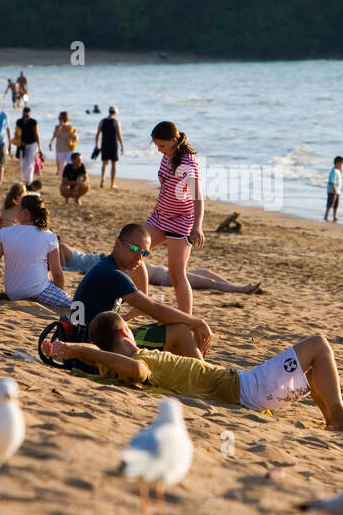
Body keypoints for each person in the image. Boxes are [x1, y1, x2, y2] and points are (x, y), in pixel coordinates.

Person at [43, 313, 343, 431]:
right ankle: (339, 420)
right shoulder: (136, 359)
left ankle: (332, 420)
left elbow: (115, 364)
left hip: (243, 386)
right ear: (126, 333)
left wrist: (75, 351)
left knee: (314, 365)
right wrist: (75, 350)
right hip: (244, 388)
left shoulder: (114, 364)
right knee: (318, 344)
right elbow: (138, 371)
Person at [71, 224, 214, 358]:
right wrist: (198, 323)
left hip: (84, 341)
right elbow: (156, 309)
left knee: (170, 328)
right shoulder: (111, 273)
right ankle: (206, 377)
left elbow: (154, 307)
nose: (139, 257)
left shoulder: (105, 267)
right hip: (95, 349)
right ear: (118, 244)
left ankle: (194, 374)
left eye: (144, 253)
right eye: (134, 249)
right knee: (180, 331)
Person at [131, 121, 204, 315]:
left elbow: (198, 196)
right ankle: (143, 301)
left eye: (161, 146)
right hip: (160, 216)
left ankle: (186, 320)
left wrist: (197, 226)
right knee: (133, 251)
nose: (159, 150)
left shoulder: (188, 163)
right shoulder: (167, 155)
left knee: (176, 274)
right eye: (157, 146)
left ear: (173, 141)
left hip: (181, 221)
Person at [56, 240, 261, 293]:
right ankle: (238, 287)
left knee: (207, 280)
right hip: (156, 271)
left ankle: (238, 288)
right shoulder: (68, 249)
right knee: (205, 277)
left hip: (158, 275)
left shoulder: (59, 248)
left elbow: (62, 268)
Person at [0, 194, 71, 309]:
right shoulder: (49, 236)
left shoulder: (4, 233)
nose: (15, 210)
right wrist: (59, 292)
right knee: (78, 306)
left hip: (13, 293)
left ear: (25, 213)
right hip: (39, 290)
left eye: (17, 207)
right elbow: (57, 274)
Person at [95, 106, 123, 189]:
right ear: (115, 113)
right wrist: (122, 146)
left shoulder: (102, 121)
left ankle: (103, 179)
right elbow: (119, 135)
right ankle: (112, 183)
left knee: (104, 164)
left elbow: (97, 134)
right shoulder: (116, 122)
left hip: (104, 145)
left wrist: (96, 145)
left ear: (109, 111)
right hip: (113, 145)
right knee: (114, 165)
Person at [14, 106, 41, 186]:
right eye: (24, 116)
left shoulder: (33, 122)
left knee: (30, 163)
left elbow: (36, 134)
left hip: (32, 143)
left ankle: (29, 181)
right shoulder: (19, 121)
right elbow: (17, 133)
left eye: (27, 116)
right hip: (23, 144)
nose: (25, 118)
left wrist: (39, 147)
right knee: (22, 164)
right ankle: (24, 179)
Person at [325, 156, 343, 221]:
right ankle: (326, 215)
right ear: (337, 163)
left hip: (338, 191)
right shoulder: (334, 171)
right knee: (330, 204)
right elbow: (332, 182)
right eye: (342, 163)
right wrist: (334, 190)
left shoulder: (338, 171)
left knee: (336, 205)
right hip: (332, 191)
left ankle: (335, 216)